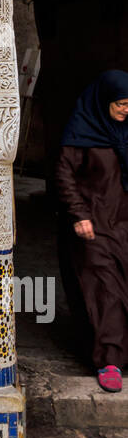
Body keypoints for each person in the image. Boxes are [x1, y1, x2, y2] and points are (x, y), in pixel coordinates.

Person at [56, 69, 128, 392]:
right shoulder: (83, 131)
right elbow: (63, 174)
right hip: (92, 225)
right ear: (104, 102)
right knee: (105, 288)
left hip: (122, 223)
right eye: (121, 104)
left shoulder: (124, 133)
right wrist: (79, 214)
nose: (126, 110)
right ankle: (109, 360)